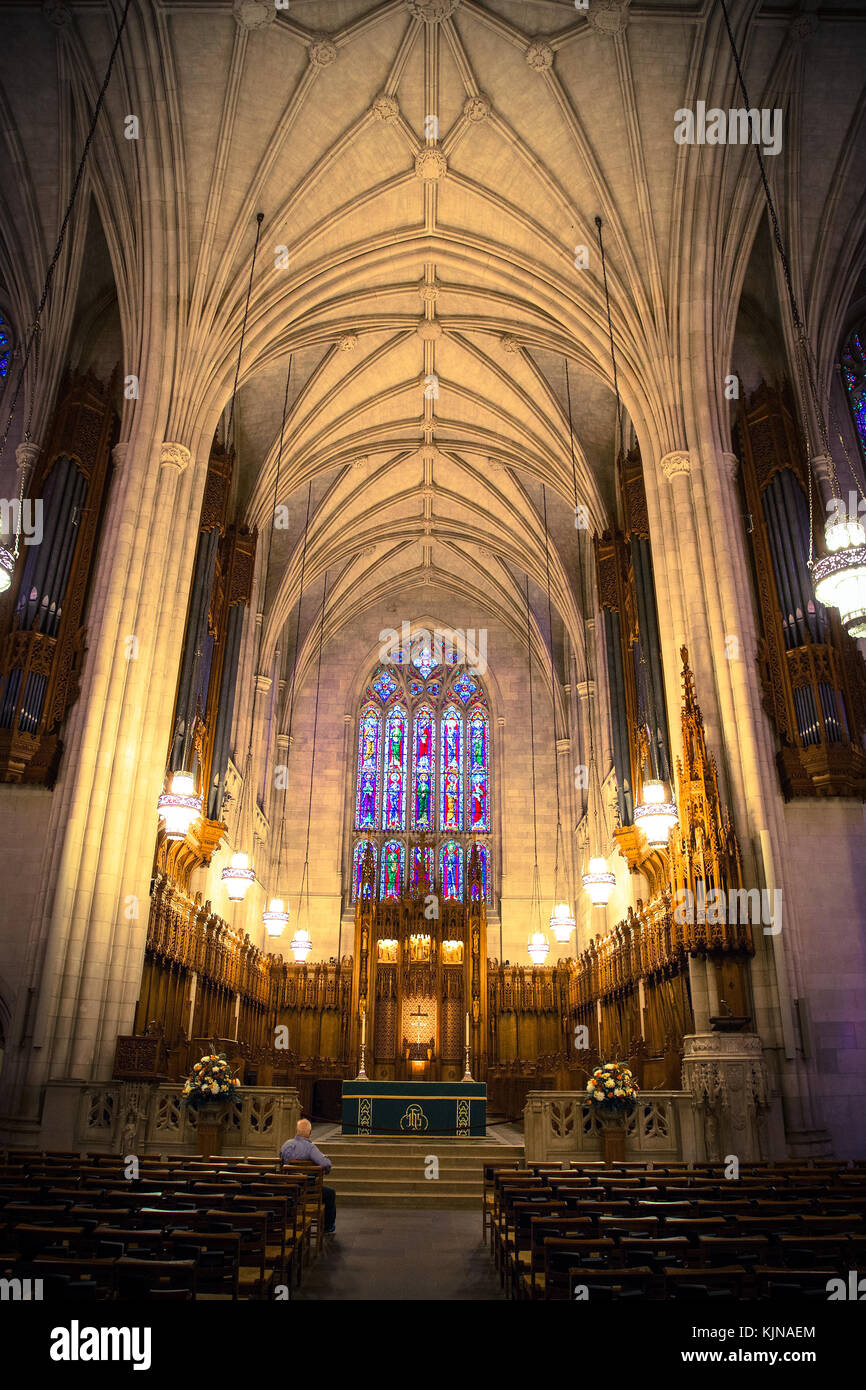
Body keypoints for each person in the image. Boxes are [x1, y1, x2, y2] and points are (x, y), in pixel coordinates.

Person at [280, 1118, 336, 1235]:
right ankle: (328, 1226)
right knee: (330, 1193)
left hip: (287, 1187)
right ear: (309, 1133)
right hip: (305, 1190)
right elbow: (326, 1164)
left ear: (296, 1131)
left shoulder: (286, 1145)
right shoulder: (309, 1148)